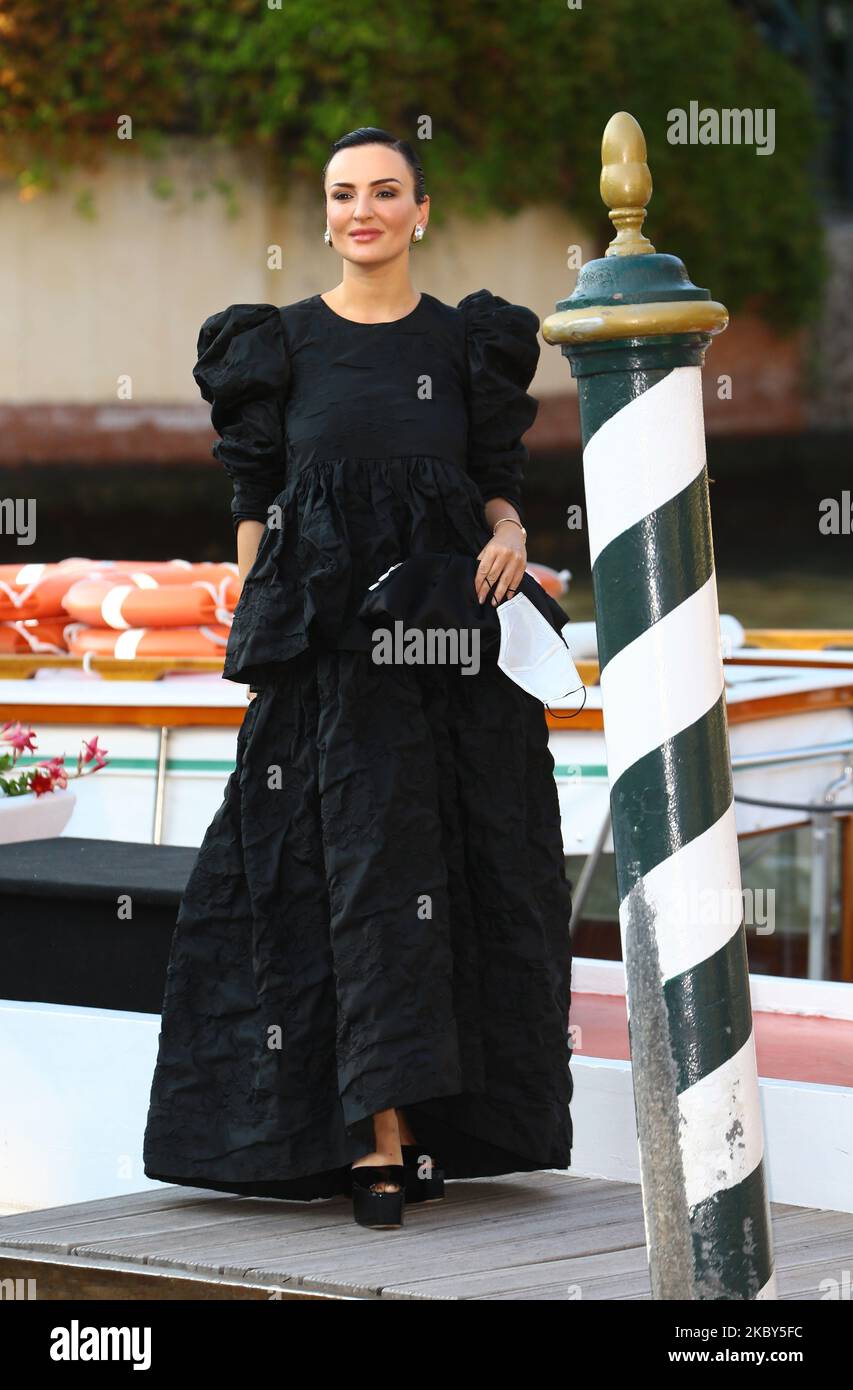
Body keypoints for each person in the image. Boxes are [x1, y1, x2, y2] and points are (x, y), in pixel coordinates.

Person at [142, 126, 574, 1230]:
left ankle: (423, 1122)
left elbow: (492, 484)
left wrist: (511, 530)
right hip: (327, 661)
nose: (362, 211)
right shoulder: (274, 347)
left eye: (385, 192)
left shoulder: (469, 343)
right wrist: (262, 628)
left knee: (460, 873)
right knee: (341, 881)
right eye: (342, 195)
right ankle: (372, 1133)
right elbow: (252, 508)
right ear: (324, 214)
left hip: (446, 659)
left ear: (420, 211)